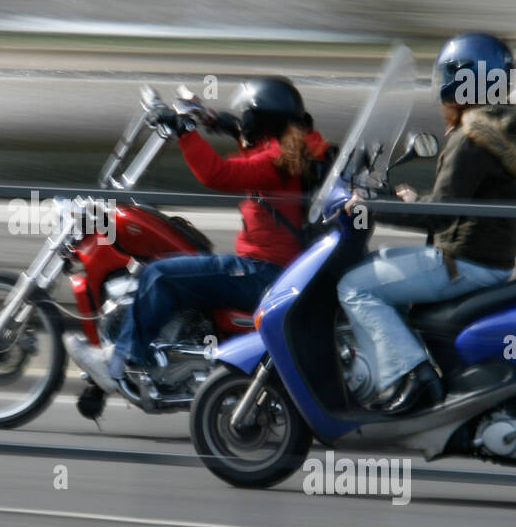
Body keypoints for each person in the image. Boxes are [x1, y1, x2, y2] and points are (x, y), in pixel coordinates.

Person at [66, 76, 332, 393]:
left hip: (262, 272)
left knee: (160, 273)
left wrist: (186, 132)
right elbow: (252, 143)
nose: (245, 120)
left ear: (262, 119)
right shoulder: (292, 148)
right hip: (271, 268)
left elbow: (217, 173)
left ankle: (117, 362)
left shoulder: (275, 162)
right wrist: (210, 119)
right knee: (182, 258)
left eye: (248, 114)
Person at [337, 32, 516, 414]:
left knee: (353, 286)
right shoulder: (500, 132)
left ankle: (410, 378)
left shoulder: (470, 139)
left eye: (444, 78)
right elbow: (456, 203)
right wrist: (414, 202)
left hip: (463, 260)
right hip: (484, 257)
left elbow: (442, 214)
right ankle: (401, 368)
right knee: (376, 269)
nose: (439, 91)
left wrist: (370, 207)